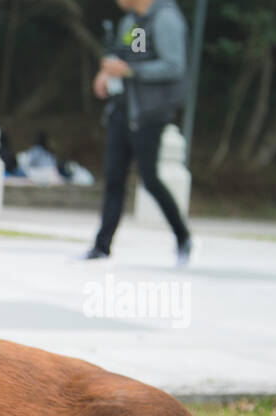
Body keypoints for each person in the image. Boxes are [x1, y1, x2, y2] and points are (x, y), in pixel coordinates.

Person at [84, 0, 193, 266]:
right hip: (121, 110)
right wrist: (106, 72)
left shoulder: (166, 18)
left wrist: (130, 71)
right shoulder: (132, 22)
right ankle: (102, 247)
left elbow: (173, 66)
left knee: (149, 178)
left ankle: (182, 236)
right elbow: (129, 54)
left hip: (149, 113)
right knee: (113, 179)